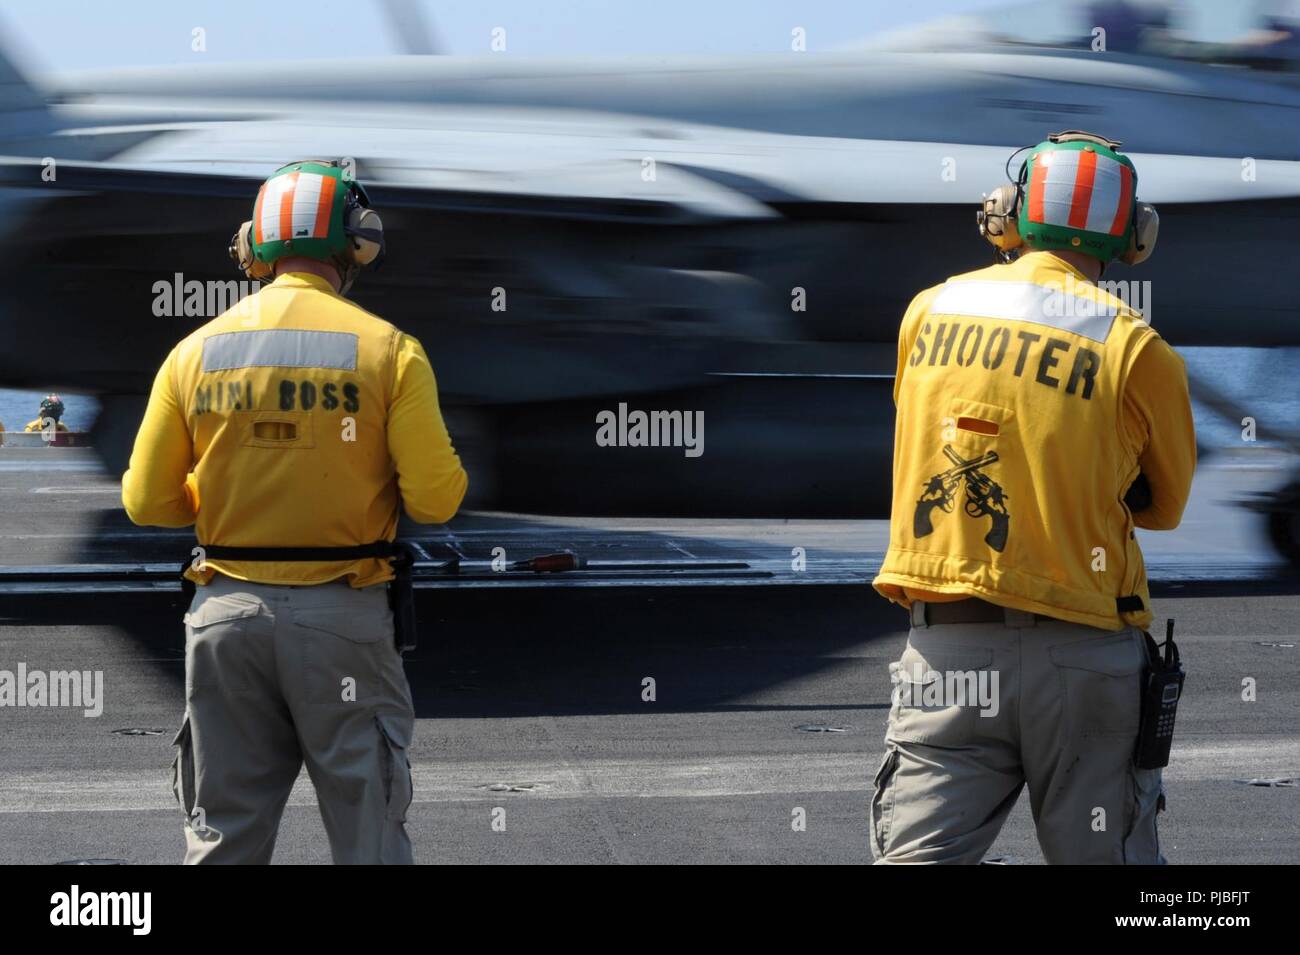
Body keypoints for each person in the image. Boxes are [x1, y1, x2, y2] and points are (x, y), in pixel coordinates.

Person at [122, 159, 468, 864]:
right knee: (368, 830)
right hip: (343, 617)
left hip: (224, 619)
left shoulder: (193, 352)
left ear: (255, 246)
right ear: (356, 244)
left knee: (224, 835)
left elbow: (147, 502)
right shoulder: (391, 351)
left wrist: (222, 498)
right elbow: (437, 499)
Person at [870, 131, 1196, 864]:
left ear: (1007, 216)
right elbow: (1165, 505)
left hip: (948, 655)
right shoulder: (1137, 348)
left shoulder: (929, 310)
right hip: (1084, 658)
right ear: (1133, 237)